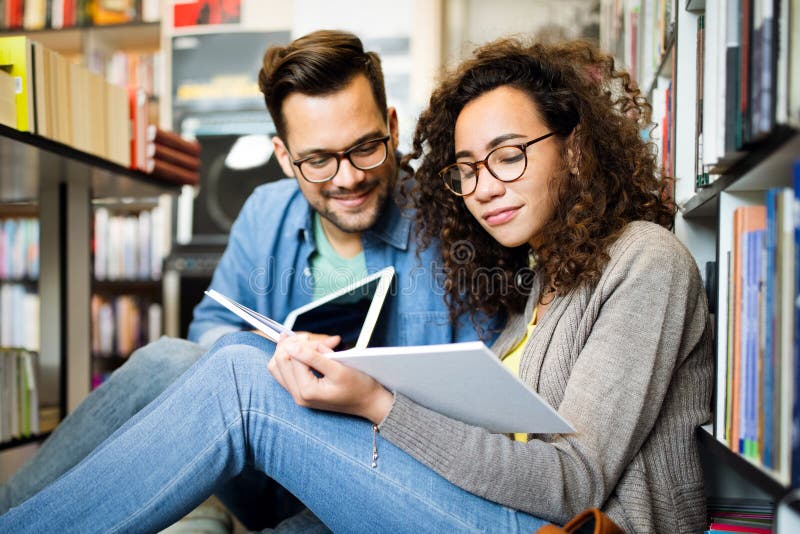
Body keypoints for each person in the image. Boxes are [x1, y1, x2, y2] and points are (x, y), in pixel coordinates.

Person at [0, 37, 713, 533]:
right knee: (188, 358)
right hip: (441, 486)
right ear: (285, 158)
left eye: (508, 157)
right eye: (468, 168)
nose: (484, 189)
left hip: (538, 517)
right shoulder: (544, 279)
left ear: (576, 147)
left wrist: (373, 398)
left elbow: (568, 480)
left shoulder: (643, 261)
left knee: (241, 375)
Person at [0, 30, 487, 532]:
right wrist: (259, 352)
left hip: (384, 474)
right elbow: (207, 331)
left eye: (365, 148)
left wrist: (371, 396)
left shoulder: (452, 223)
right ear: (284, 157)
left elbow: (482, 404)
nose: (347, 178)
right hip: (265, 460)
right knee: (168, 360)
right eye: (318, 160)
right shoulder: (264, 212)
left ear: (392, 126)